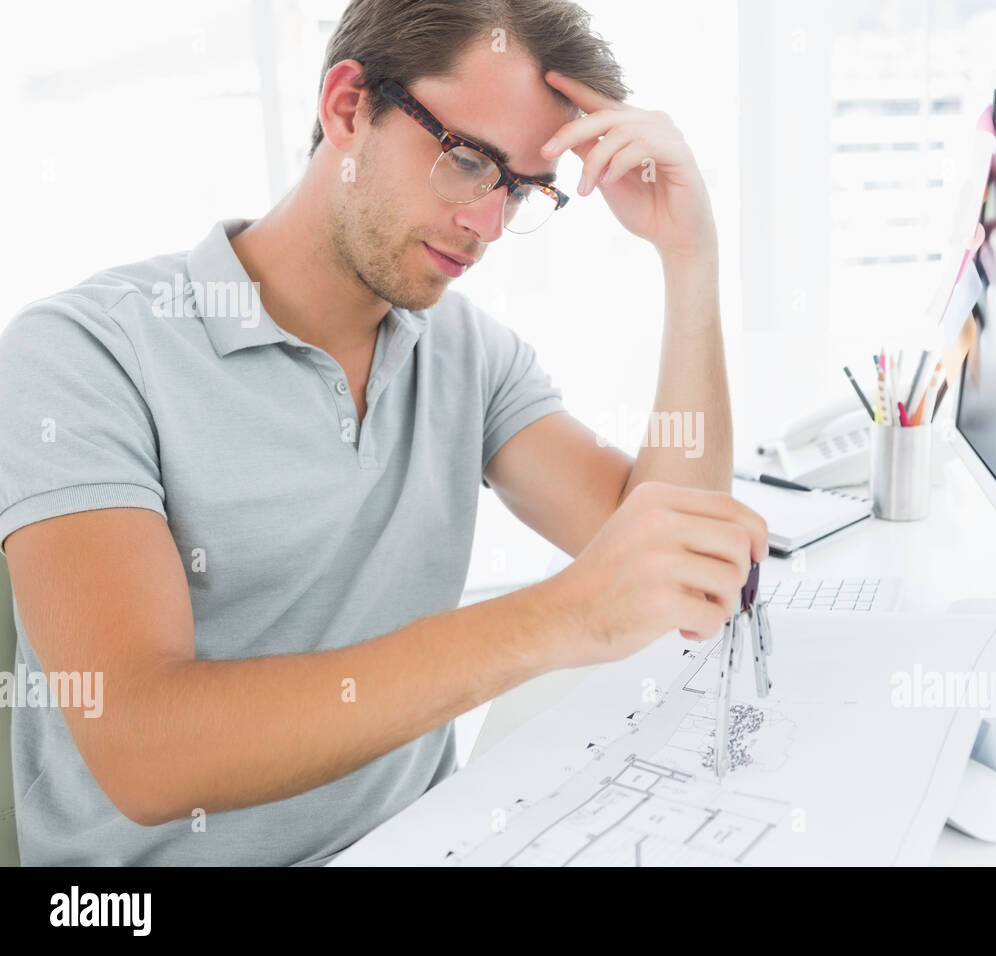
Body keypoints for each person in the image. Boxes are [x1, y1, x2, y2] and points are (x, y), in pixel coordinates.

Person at [0, 0, 765, 865]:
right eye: (469, 160)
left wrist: (688, 254)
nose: (487, 225)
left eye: (521, 189)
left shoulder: (463, 350)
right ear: (347, 107)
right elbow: (145, 750)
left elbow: (677, 546)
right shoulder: (84, 354)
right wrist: (562, 618)